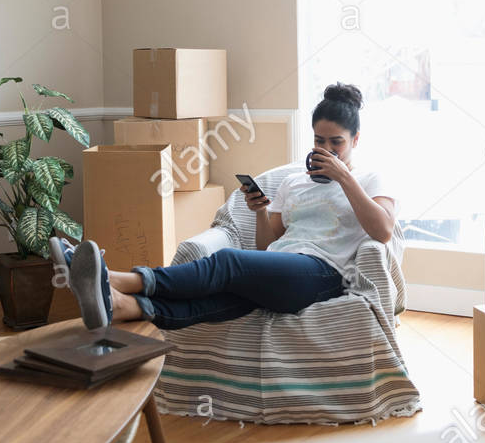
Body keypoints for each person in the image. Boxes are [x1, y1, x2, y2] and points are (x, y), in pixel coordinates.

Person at [51, 82, 397, 330]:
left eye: (336, 142)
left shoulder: (369, 179)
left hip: (322, 274)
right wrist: (259, 210)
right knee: (224, 299)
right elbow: (266, 246)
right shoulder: (294, 182)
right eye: (319, 140)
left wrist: (344, 178)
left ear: (355, 140)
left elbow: (382, 231)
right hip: (280, 267)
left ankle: (116, 279)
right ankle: (122, 307)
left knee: (228, 263)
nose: (327, 149)